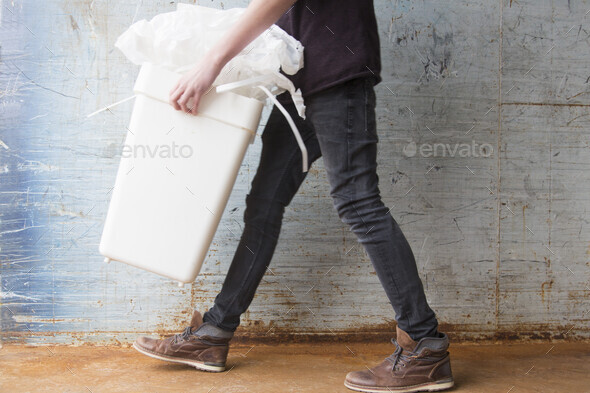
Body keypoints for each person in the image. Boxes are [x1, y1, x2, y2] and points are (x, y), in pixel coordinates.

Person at [133, 1, 454, 391]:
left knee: (358, 202)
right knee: (264, 204)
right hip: (301, 82)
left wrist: (210, 64)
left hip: (336, 74)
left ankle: (424, 345)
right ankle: (213, 334)